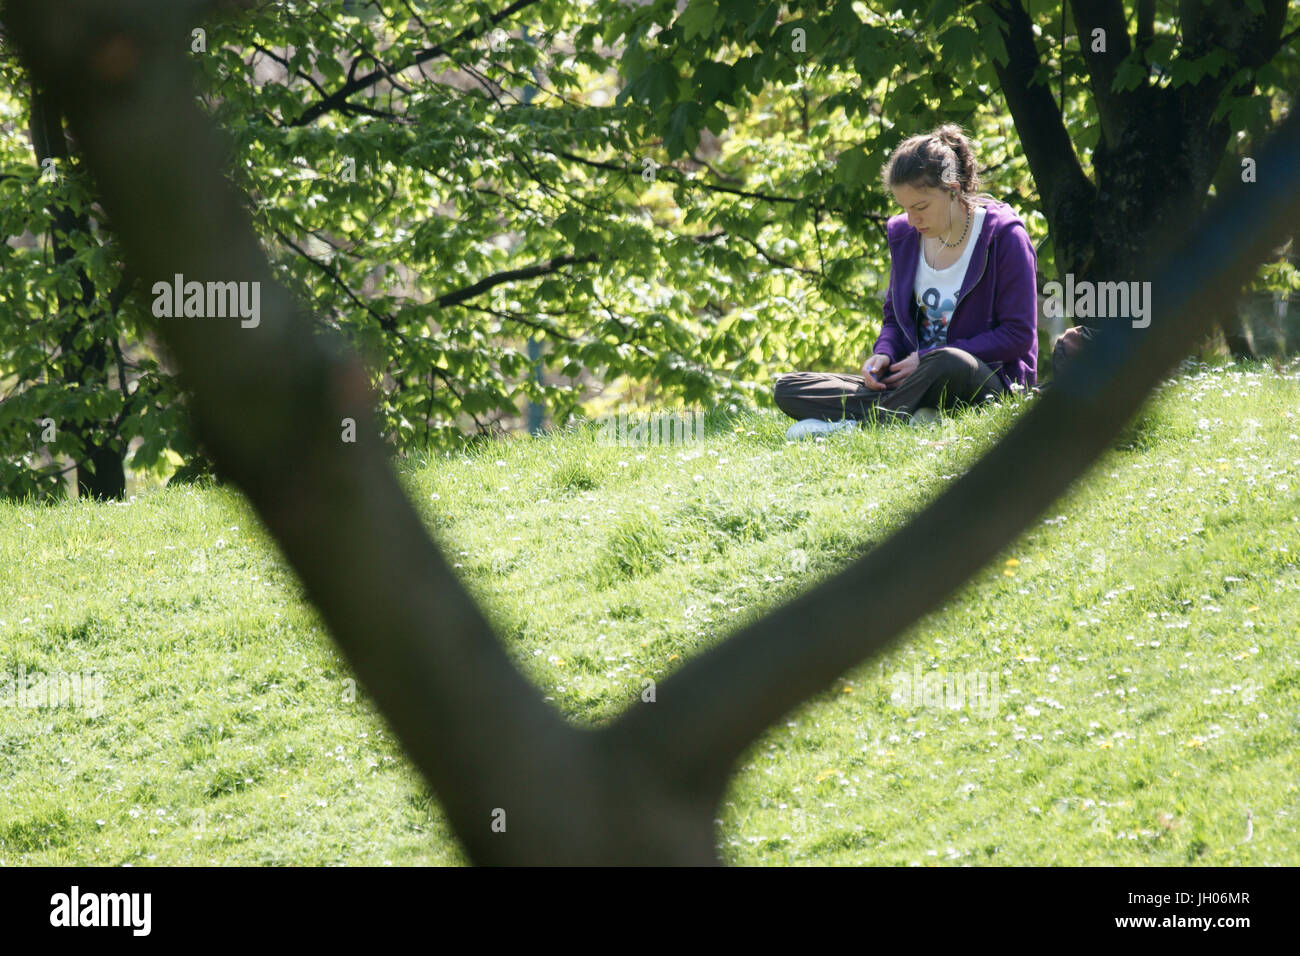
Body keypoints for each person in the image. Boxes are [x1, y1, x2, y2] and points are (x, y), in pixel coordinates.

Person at [774, 124, 1038, 438]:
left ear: (953, 190)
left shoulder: (1004, 236)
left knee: (948, 361)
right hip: (911, 381)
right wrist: (883, 353)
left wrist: (927, 358)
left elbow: (1017, 335)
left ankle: (861, 426)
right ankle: (908, 415)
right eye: (904, 209)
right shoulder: (904, 235)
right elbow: (894, 320)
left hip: (981, 380)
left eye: (921, 207)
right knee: (789, 388)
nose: (912, 220)